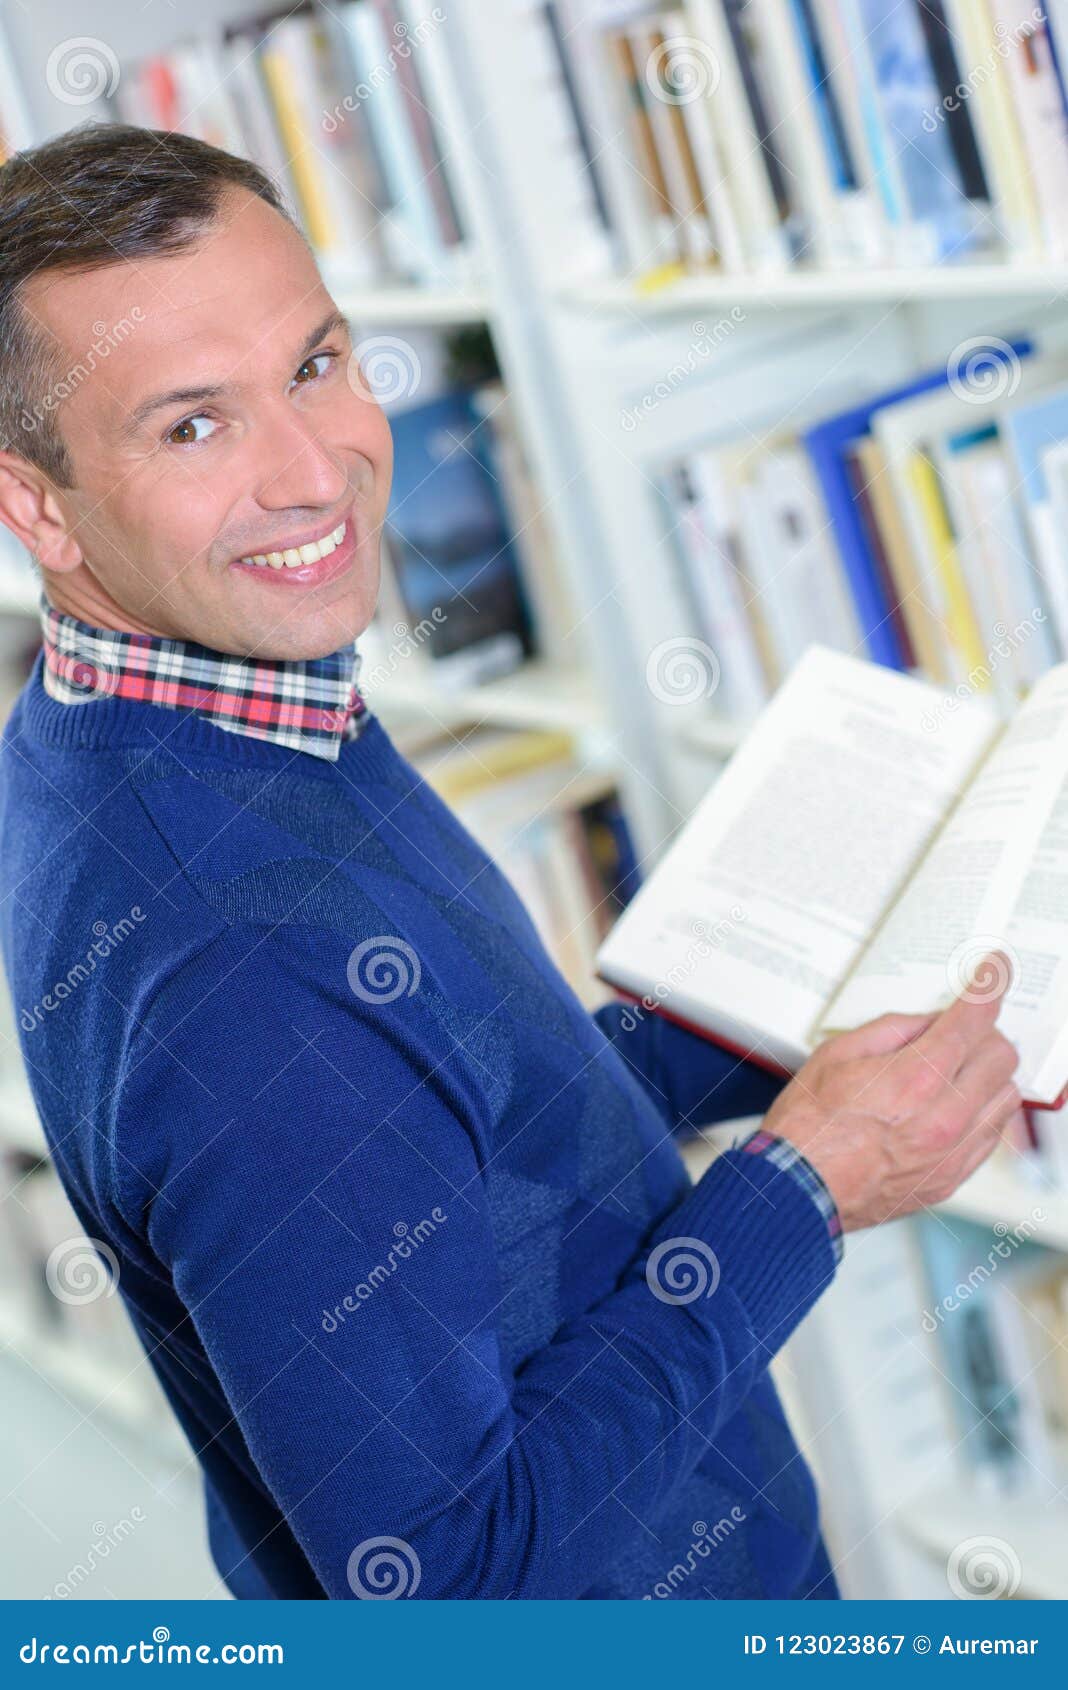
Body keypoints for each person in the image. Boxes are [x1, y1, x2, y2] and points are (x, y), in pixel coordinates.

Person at [0, 125, 1022, 1602]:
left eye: (316, 364)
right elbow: (454, 1586)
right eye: (192, 427)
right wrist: (806, 1184)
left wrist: (736, 1009)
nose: (318, 472)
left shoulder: (172, 710)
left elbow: (437, 1133)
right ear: (34, 503)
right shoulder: (231, 963)